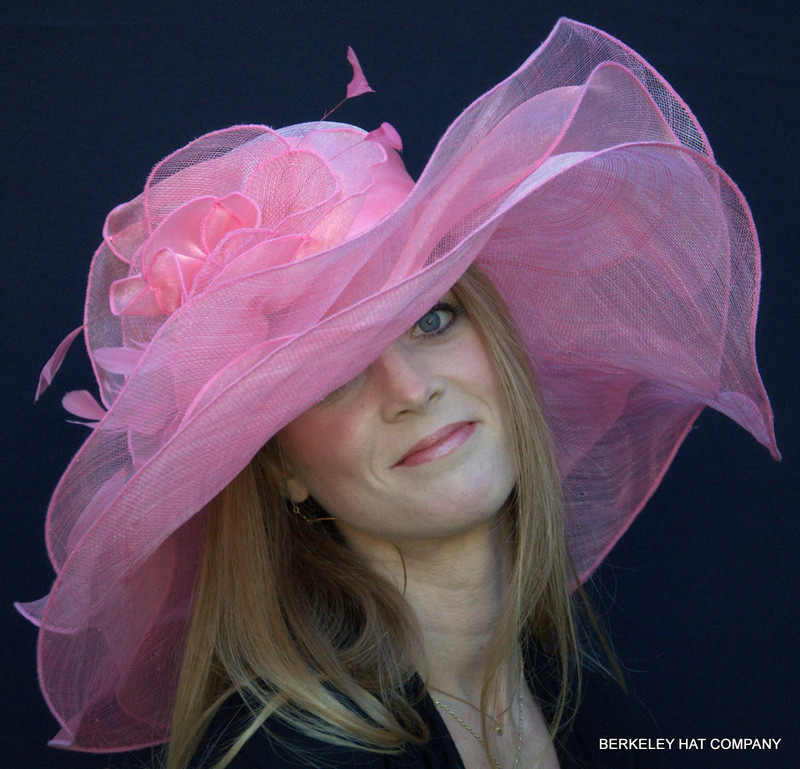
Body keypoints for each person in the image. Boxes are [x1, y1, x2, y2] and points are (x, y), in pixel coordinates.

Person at [17, 18, 778, 769]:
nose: (410, 388)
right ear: (281, 468)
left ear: (498, 340)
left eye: (432, 319)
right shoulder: (282, 757)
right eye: (333, 374)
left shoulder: (574, 693)